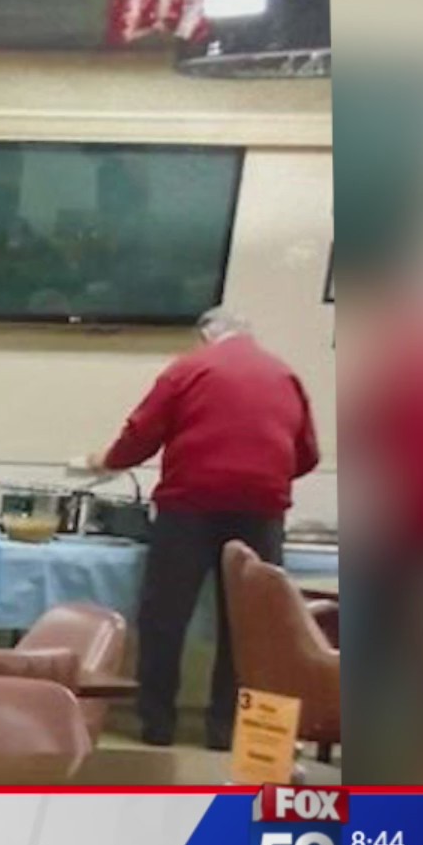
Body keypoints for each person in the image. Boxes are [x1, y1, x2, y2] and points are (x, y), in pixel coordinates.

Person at [82, 307, 320, 749]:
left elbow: (142, 433)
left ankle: (157, 724)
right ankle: (226, 730)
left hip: (190, 507)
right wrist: (261, 473)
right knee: (249, 623)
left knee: (165, 617)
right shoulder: (284, 375)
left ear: (206, 336)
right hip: (262, 511)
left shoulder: (188, 369)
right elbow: (307, 454)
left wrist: (107, 461)